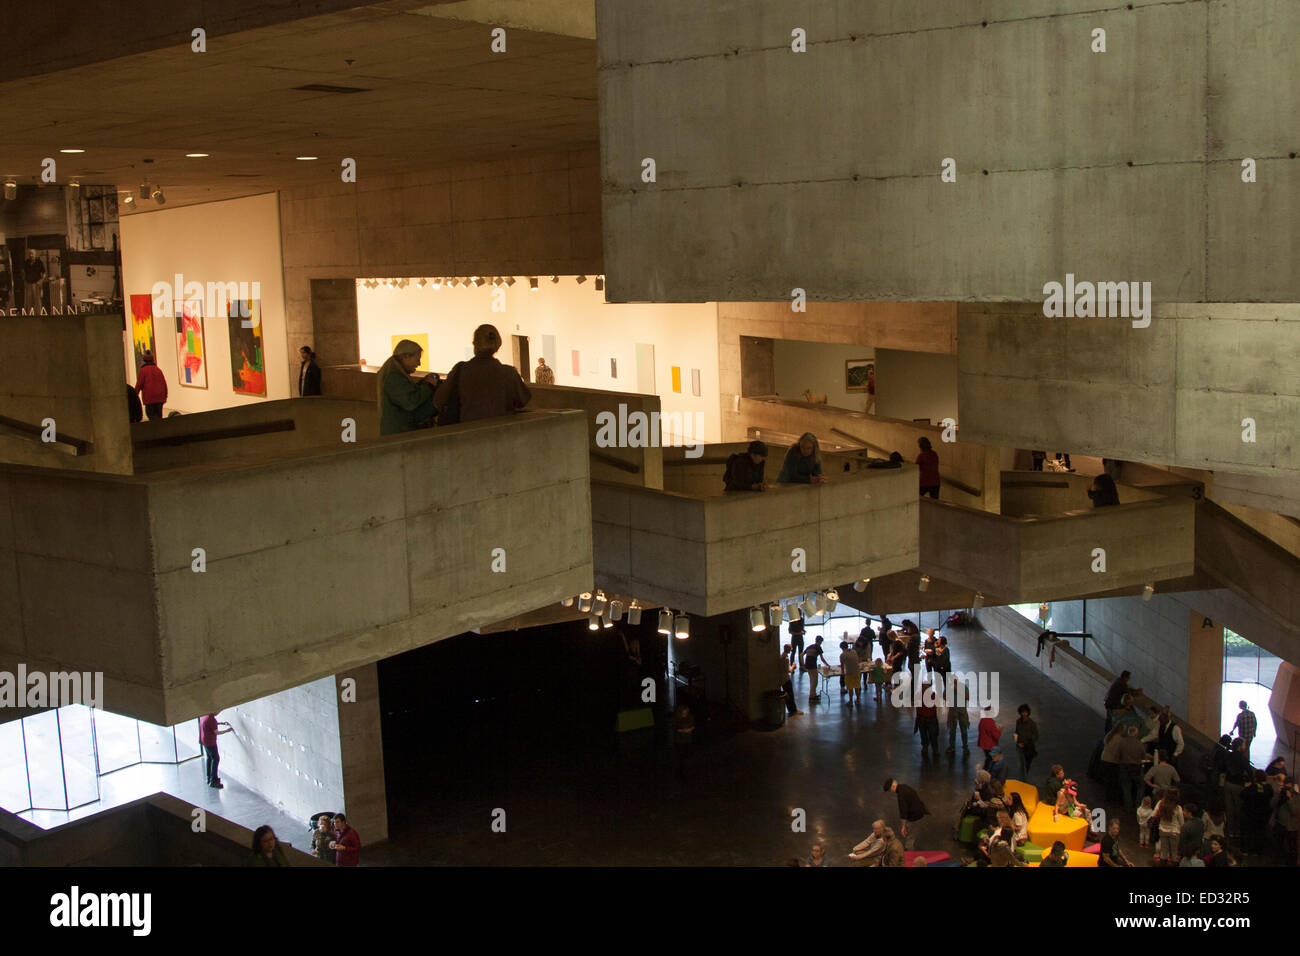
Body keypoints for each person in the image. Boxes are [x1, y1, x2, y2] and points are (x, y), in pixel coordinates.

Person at [434, 324, 531, 424]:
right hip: (501, 434)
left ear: (474, 344)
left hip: (468, 433)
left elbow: (439, 400)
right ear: (498, 345)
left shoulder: (460, 370)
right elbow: (523, 400)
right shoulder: (509, 373)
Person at [378, 339, 437, 434]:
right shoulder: (393, 376)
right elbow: (409, 403)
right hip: (398, 433)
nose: (419, 364)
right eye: (417, 359)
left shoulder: (394, 371)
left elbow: (406, 392)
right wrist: (428, 386)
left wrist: (423, 382)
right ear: (406, 357)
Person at [883, 778, 928, 850]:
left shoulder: (901, 795)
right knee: (912, 833)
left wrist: (903, 826)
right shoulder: (904, 786)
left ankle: (909, 853)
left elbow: (903, 812)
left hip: (914, 817)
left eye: (890, 790)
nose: (891, 792)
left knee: (910, 837)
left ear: (893, 787)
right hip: (920, 811)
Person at [1142, 707, 1185, 772]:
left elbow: (1181, 743)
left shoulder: (1175, 728)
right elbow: (1153, 735)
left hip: (1170, 756)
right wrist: (1142, 740)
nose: (1160, 721)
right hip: (1162, 756)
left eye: (1161, 719)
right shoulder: (1160, 726)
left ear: (1166, 718)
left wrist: (1175, 754)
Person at [1116, 725, 1147, 812]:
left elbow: (1118, 755)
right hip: (1136, 768)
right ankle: (1138, 805)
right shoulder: (1139, 743)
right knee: (1140, 786)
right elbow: (1143, 756)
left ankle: (1128, 806)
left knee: (1126, 787)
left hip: (1124, 767)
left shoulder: (1122, 742)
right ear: (1136, 733)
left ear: (1128, 733)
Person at [198, 713, 233, 789]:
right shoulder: (212, 719)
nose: (218, 713)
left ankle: (209, 778)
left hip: (204, 741)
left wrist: (220, 723)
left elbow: (208, 724)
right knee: (216, 759)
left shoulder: (204, 715)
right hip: (210, 742)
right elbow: (217, 732)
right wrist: (227, 730)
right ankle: (213, 781)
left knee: (209, 758)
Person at [1269, 777, 1298, 866]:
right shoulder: (1280, 795)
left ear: (1293, 787)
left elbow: (1295, 811)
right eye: (1286, 787)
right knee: (1277, 845)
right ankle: (1276, 861)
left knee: (1292, 847)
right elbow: (1272, 805)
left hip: (1291, 826)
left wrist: (1289, 799)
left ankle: (1291, 863)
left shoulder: (1297, 797)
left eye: (1289, 787)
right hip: (1280, 824)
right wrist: (1278, 795)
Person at [135, 350, 168, 420]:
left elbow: (139, 384)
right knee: (159, 417)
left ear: (144, 360)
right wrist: (165, 396)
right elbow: (164, 383)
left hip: (149, 398)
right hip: (160, 398)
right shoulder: (158, 370)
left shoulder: (143, 371)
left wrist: (135, 396)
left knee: (151, 417)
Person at [1154, 791, 1184, 864]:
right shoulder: (1178, 808)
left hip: (1162, 830)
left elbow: (1154, 814)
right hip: (1174, 832)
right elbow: (1181, 822)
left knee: (1164, 852)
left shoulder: (1161, 804)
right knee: (1174, 853)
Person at [1013, 704, 1038, 780]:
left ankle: (1025, 779)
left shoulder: (1032, 724)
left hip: (1028, 748)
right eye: (1022, 712)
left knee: (1027, 764)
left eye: (1025, 712)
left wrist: (1024, 743)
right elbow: (1017, 732)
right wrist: (1017, 740)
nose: (1024, 714)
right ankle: (1022, 779)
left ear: (1028, 713)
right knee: (1020, 765)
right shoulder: (1018, 721)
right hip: (1019, 747)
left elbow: (1035, 736)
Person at [774, 647, 801, 717]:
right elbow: (789, 671)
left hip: (782, 679)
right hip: (786, 679)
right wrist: (793, 667)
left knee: (788, 695)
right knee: (790, 695)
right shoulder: (786, 659)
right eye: (791, 649)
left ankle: (791, 710)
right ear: (788, 650)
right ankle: (793, 710)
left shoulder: (781, 656)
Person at [914, 684, 939, 755]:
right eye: (923, 686)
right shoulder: (919, 695)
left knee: (933, 735)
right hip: (923, 718)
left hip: (930, 718)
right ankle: (927, 747)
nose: (925, 688)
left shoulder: (932, 694)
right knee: (924, 734)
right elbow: (917, 708)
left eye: (926, 686)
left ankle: (934, 748)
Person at [803, 637, 828, 703]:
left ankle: (813, 694)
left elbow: (801, 655)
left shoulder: (810, 646)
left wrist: (803, 664)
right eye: (821, 642)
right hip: (812, 665)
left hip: (807, 665)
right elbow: (822, 658)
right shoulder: (818, 647)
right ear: (819, 641)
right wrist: (827, 665)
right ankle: (811, 697)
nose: (821, 643)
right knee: (815, 681)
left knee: (812, 680)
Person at [673, 704, 694, 779]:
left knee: (687, 755)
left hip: (688, 739)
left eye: (686, 712)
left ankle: (685, 770)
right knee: (680, 756)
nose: (685, 714)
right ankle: (680, 771)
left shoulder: (690, 717)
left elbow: (693, 725)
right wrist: (683, 730)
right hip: (679, 740)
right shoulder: (677, 718)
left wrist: (690, 729)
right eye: (683, 713)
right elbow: (675, 728)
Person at [840, 641, 861, 706]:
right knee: (857, 686)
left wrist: (843, 672)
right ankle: (857, 700)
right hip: (857, 671)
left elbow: (842, 665)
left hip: (849, 672)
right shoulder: (854, 651)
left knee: (850, 687)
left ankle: (851, 701)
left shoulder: (842, 655)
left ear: (842, 648)